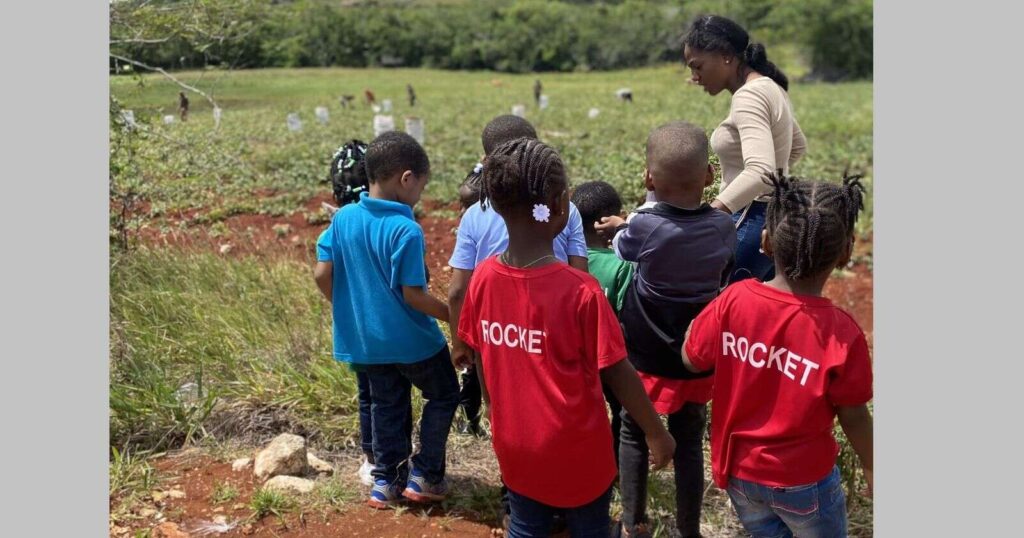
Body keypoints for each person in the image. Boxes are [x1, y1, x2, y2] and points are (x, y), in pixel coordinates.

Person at [456, 137, 675, 538]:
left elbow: (484, 356)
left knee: (525, 525)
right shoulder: (580, 291)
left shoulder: (484, 277)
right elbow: (619, 373)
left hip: (515, 445)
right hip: (578, 455)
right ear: (560, 205)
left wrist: (491, 405)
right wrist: (656, 432)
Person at [682, 172, 874, 538]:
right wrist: (872, 465)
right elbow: (854, 414)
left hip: (739, 476)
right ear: (847, 251)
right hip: (805, 483)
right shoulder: (842, 332)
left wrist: (697, 324)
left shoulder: (733, 301)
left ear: (766, 242)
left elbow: (693, 359)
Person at [596, 122, 736, 538]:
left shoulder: (644, 225)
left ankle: (632, 522)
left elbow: (623, 249)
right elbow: (724, 269)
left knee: (632, 428)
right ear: (710, 176)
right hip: (696, 354)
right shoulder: (723, 227)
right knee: (690, 439)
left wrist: (631, 217)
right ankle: (689, 529)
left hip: (645, 350)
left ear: (648, 178)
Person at [313, 131, 460, 509]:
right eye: (422, 187)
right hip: (414, 342)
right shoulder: (405, 229)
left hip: (367, 342)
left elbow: (320, 274)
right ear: (406, 179)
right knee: (443, 394)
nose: (421, 196)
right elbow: (413, 295)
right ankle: (425, 473)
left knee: (386, 406)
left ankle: (386, 483)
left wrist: (350, 307)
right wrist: (451, 316)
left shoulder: (343, 218)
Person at [449, 114, 589, 437]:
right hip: (552, 326)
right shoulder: (565, 209)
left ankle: (511, 476)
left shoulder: (473, 215)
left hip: (494, 331)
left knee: (499, 406)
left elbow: (458, 291)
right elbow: (581, 275)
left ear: (486, 163)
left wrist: (460, 342)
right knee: (553, 403)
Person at [681, 14, 807, 284]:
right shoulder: (770, 86)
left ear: (726, 55)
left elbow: (760, 169)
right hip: (775, 217)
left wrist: (712, 213)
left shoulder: (748, 96)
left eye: (697, 66)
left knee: (722, 307)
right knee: (761, 308)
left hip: (750, 217)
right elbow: (796, 146)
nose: (695, 77)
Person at [318, 139, 413, 487]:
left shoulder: (339, 223)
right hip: (391, 328)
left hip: (358, 328)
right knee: (393, 394)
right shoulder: (393, 222)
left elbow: (322, 273)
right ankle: (396, 459)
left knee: (368, 393)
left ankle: (372, 458)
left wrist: (343, 304)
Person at [571, 180, 635, 465]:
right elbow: (624, 316)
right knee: (622, 409)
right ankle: (614, 464)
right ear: (606, 222)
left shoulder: (564, 260)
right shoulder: (621, 266)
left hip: (573, 356)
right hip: (609, 358)